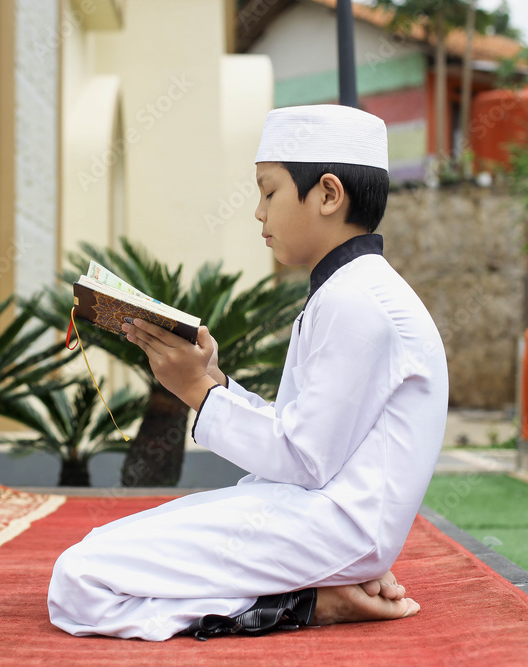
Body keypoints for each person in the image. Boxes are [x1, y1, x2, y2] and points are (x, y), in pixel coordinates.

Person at [48, 104, 448, 641]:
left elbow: (304, 459)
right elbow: (301, 434)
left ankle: (305, 604)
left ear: (328, 195)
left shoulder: (358, 301)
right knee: (95, 554)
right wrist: (214, 382)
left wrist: (197, 392)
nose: (258, 213)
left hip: (331, 528)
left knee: (79, 579)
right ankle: (306, 596)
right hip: (317, 518)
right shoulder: (350, 291)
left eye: (269, 192)